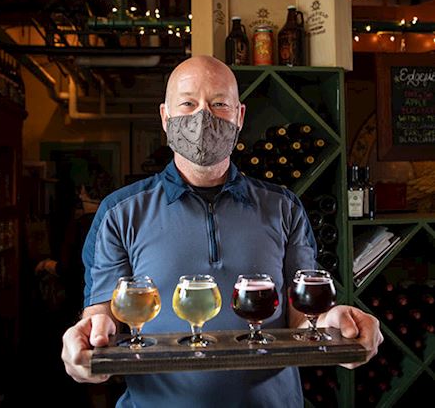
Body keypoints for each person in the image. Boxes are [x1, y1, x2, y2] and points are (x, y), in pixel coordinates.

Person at [60, 56, 382, 406]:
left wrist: (334, 323)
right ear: (166, 118)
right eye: (188, 103)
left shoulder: (283, 207)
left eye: (218, 104)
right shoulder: (119, 213)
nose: (203, 117)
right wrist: (87, 345)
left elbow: (303, 318)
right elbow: (102, 322)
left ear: (239, 116)